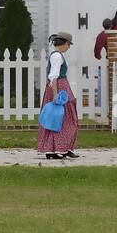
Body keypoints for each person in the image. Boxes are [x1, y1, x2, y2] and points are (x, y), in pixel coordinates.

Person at [38, 31, 80, 160]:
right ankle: (59, 148)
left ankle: (61, 148)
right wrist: (56, 95)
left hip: (59, 87)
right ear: (65, 43)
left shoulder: (57, 55)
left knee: (58, 119)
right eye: (68, 44)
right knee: (66, 118)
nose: (69, 47)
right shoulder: (57, 56)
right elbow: (54, 76)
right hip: (59, 88)